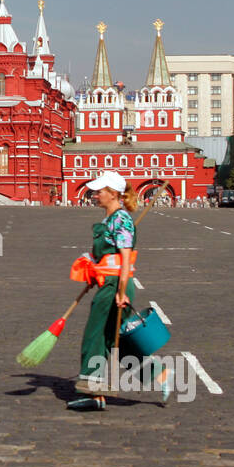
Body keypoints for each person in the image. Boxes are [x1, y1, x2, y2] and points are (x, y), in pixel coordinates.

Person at [76, 171, 170, 405]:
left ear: (113, 194)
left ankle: (93, 388)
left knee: (95, 335)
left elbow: (126, 259)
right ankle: (157, 373)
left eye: (99, 191)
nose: (95, 194)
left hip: (116, 286)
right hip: (107, 282)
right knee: (111, 338)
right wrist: (95, 273)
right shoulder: (111, 219)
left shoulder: (121, 219)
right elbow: (109, 257)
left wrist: (121, 291)